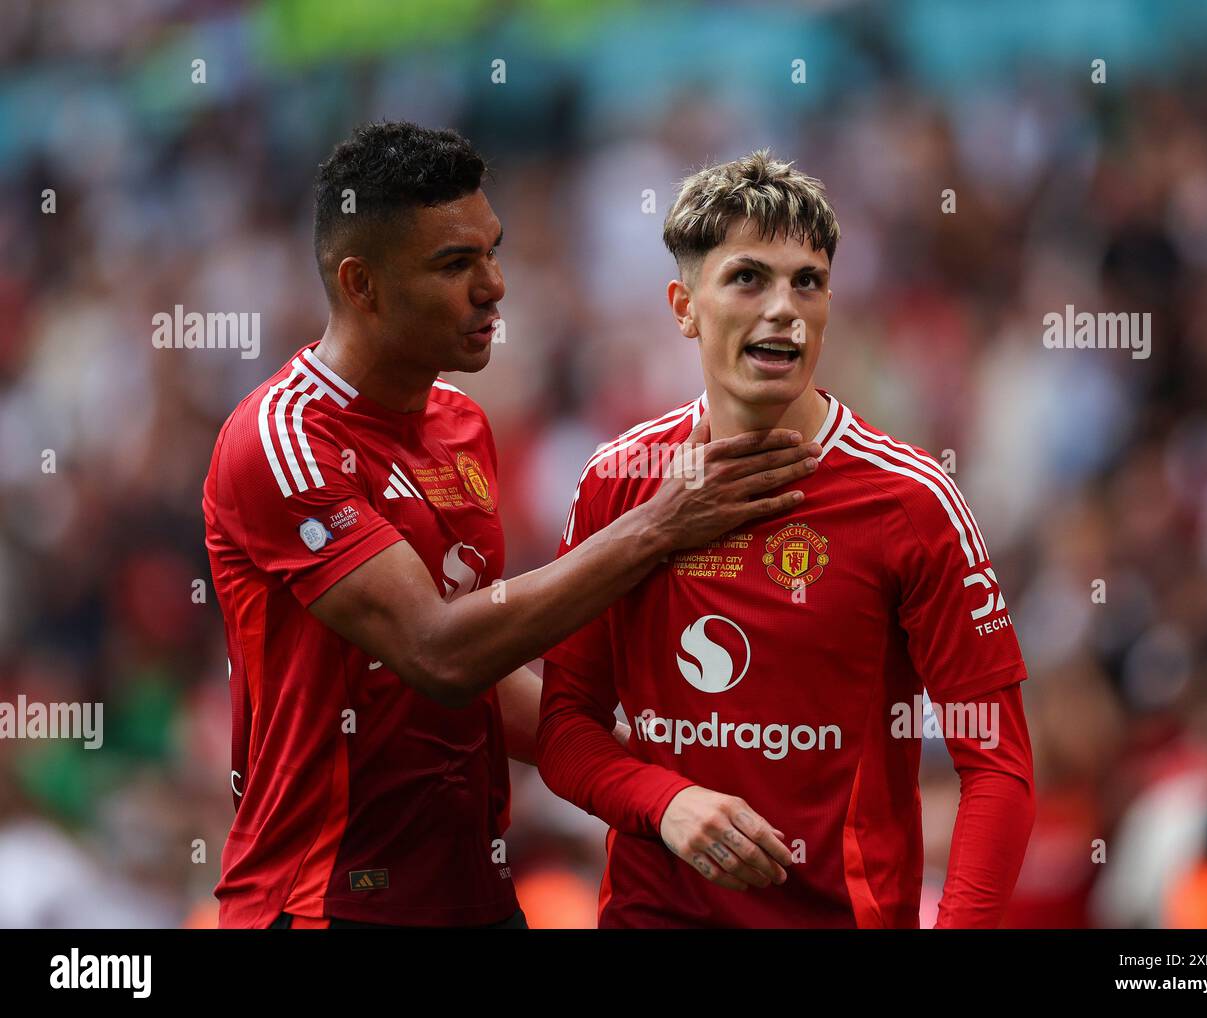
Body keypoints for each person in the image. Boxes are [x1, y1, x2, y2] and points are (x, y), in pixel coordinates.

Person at [201, 123, 820, 929]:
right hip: (325, 902)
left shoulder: (460, 425)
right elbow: (439, 652)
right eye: (455, 265)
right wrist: (656, 528)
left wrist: (673, 767)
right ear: (363, 285)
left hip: (475, 899)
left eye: (492, 252)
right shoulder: (282, 442)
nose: (494, 285)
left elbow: (486, 674)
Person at [537, 151, 1036, 928]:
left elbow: (997, 769)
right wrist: (665, 801)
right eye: (748, 278)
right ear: (683, 305)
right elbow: (567, 729)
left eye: (808, 281)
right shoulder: (617, 482)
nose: (784, 309)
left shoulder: (910, 499)